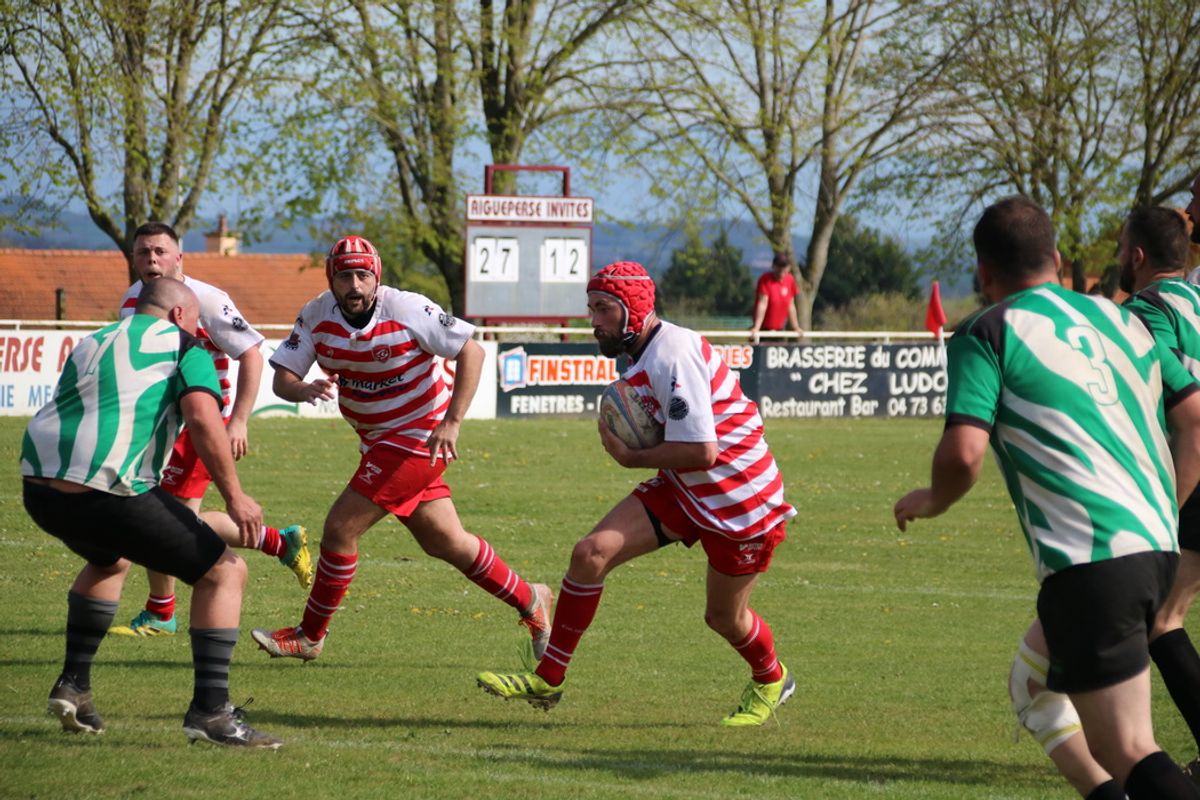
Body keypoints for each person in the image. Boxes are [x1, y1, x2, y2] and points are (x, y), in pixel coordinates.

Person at [894, 196, 1200, 799]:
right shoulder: (1121, 319)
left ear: (983, 273)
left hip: (1091, 563)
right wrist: (1172, 506)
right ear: (1057, 259)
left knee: (1131, 749)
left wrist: (932, 499)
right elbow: (1193, 414)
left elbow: (963, 453)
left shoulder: (987, 332)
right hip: (1157, 546)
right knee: (1033, 686)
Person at [477, 261, 797, 726]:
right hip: (686, 486)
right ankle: (549, 676)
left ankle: (772, 678)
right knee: (590, 553)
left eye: (604, 309)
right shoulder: (642, 351)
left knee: (724, 618)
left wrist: (630, 458)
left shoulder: (673, 354)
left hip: (740, 503)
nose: (595, 320)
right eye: (591, 308)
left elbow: (705, 450)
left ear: (635, 310)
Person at [250, 235, 551, 661]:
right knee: (447, 542)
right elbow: (282, 379)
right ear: (330, 279)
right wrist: (302, 389)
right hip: (377, 443)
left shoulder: (408, 308)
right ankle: (531, 599)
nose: (353, 286)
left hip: (418, 438)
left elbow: (473, 351)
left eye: (362, 275)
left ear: (377, 277)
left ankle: (310, 635)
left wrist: (453, 422)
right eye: (344, 277)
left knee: (339, 527)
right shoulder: (317, 315)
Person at [21, 277, 281, 747]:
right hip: (107, 486)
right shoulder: (185, 346)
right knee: (225, 572)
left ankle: (74, 686)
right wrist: (237, 496)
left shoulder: (93, 340)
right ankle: (212, 713)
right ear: (183, 316)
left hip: (39, 487)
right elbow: (203, 419)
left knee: (109, 559)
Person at [110, 222, 312, 638]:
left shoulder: (207, 300)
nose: (152, 260)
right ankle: (278, 542)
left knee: (165, 520)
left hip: (198, 424)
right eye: (144, 252)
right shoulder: (132, 300)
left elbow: (252, 354)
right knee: (173, 517)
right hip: (156, 426)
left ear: (179, 258)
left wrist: (237, 420)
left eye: (160, 252)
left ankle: (161, 612)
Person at [749, 252, 802, 341]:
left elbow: (790, 305)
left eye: (784, 266)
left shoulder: (790, 280)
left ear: (789, 268)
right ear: (773, 266)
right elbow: (763, 303)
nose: (781, 269)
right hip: (764, 329)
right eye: (779, 266)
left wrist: (795, 327)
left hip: (779, 329)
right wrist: (756, 327)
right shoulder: (765, 279)